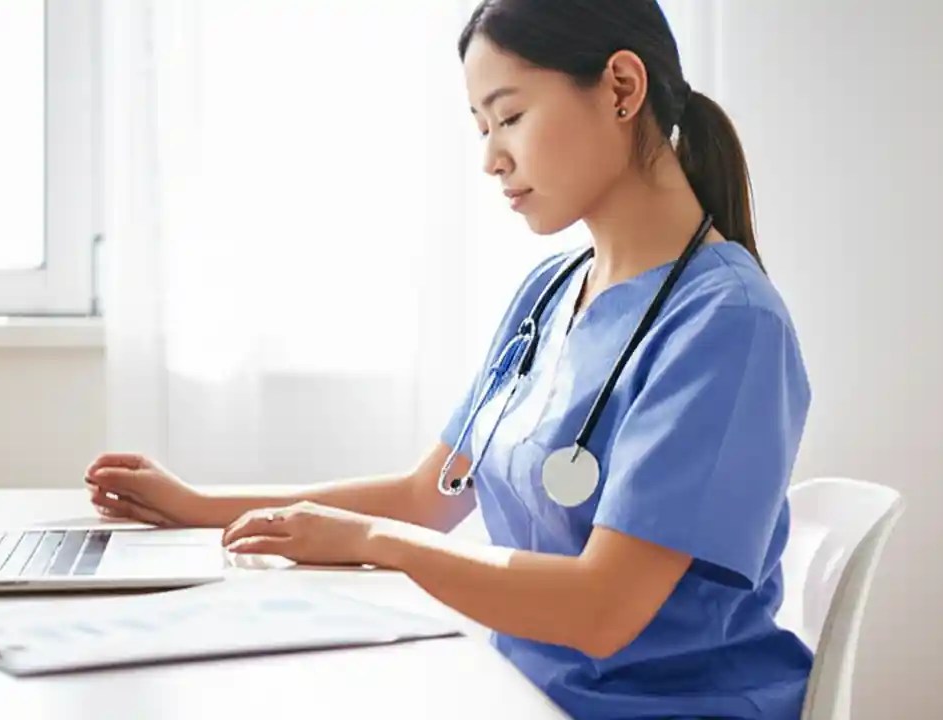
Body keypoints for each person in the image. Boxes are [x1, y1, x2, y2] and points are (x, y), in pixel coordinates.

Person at [85, 1, 813, 718]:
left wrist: (374, 543)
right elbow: (423, 497)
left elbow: (603, 608)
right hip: (517, 691)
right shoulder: (553, 291)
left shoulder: (727, 324)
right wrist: (199, 507)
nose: (492, 158)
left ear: (622, 88)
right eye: (481, 127)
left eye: (510, 117)